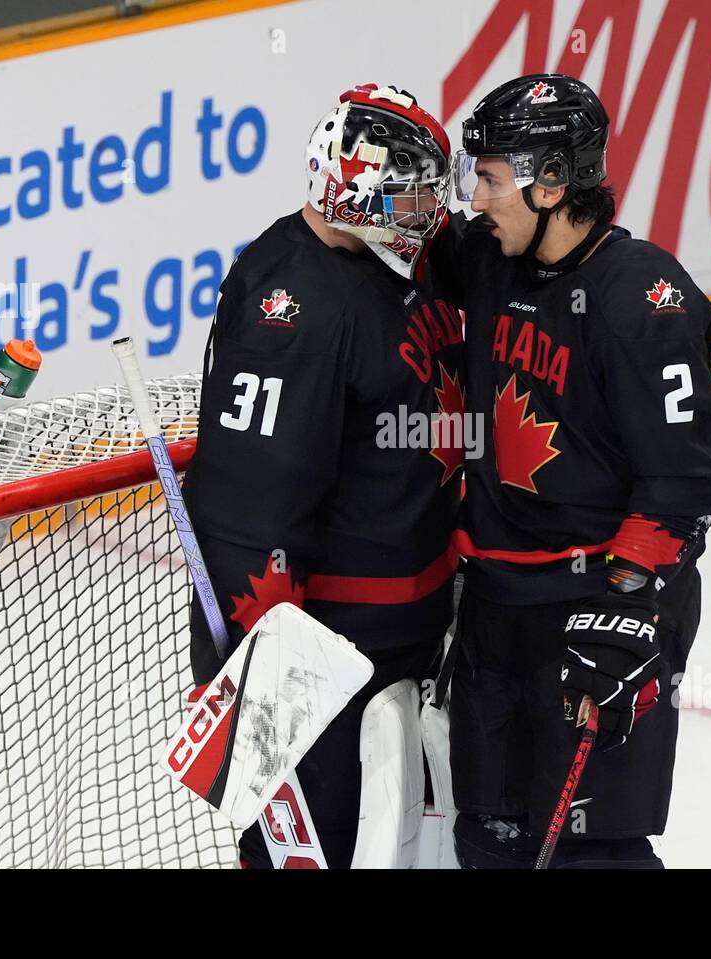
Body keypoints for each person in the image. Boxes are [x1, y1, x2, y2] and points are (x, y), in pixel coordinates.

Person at [431, 73, 711, 868]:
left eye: (490, 180)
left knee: (592, 856)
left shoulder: (645, 302)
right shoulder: (492, 259)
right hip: (495, 611)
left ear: (552, 182)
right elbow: (404, 243)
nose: (476, 199)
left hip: (591, 610)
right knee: (488, 841)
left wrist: (631, 609)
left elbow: (683, 483)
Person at [182, 84, 463, 868]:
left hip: (410, 635)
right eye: (411, 195)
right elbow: (252, 504)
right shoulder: (294, 305)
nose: (428, 214)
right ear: (357, 184)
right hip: (326, 656)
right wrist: (265, 667)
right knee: (318, 854)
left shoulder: (388, 260)